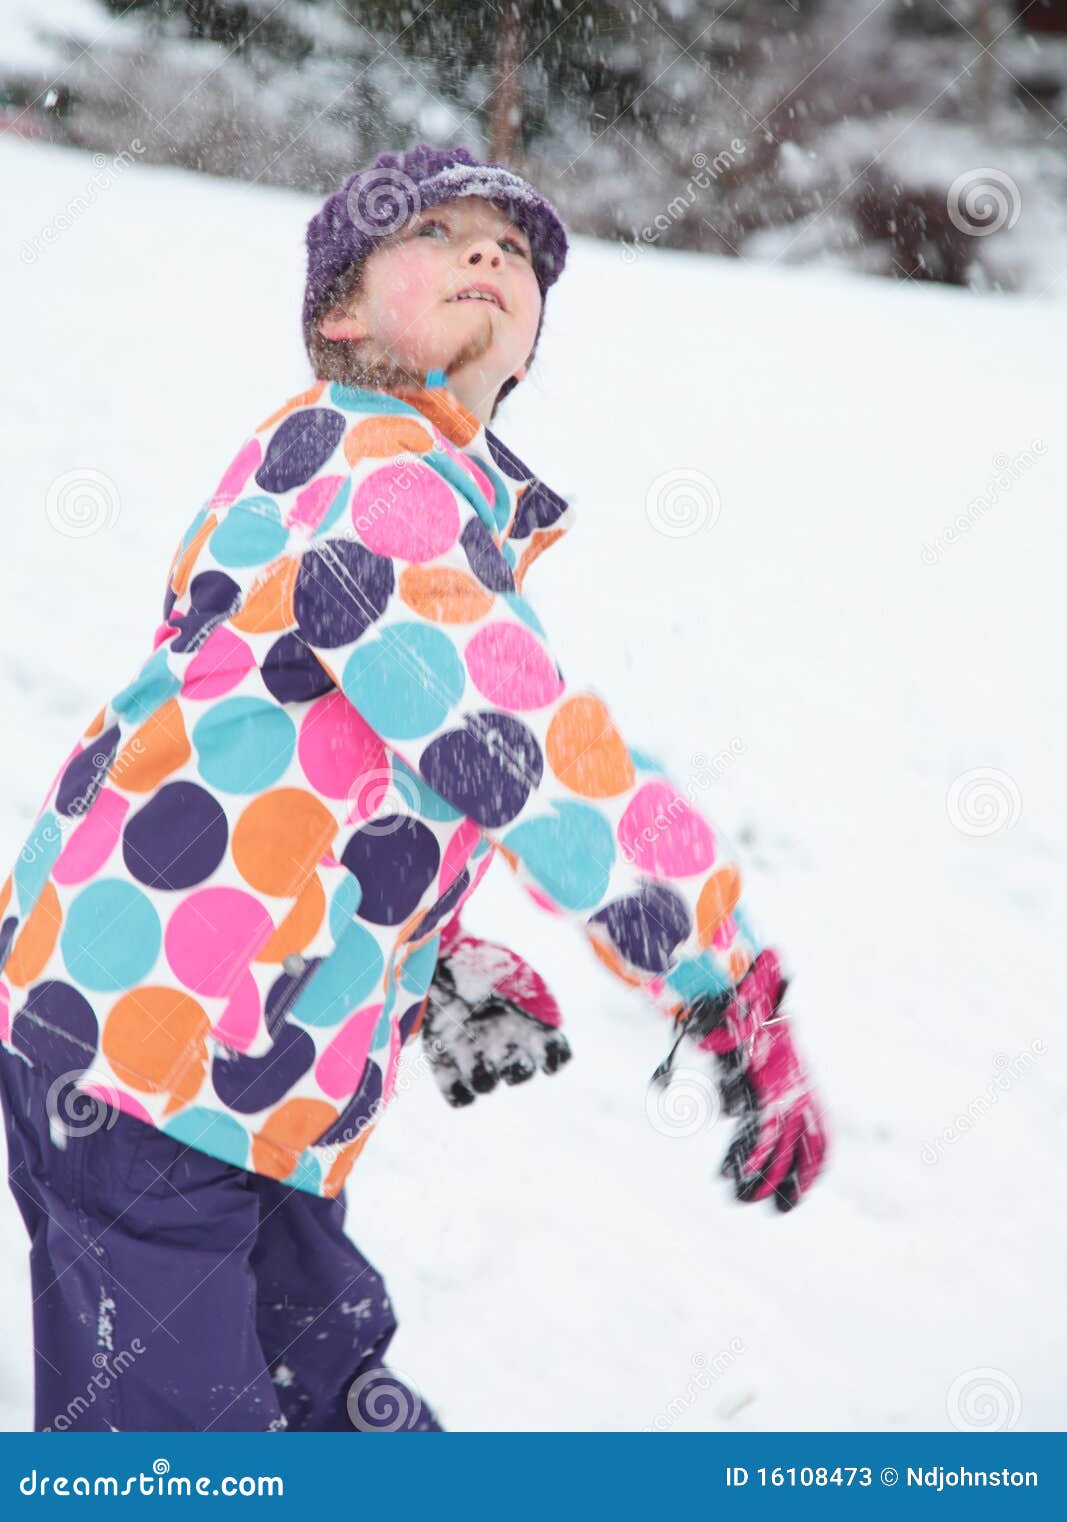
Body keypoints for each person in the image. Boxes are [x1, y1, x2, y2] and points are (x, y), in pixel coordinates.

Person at [0, 142, 828, 1432]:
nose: (489, 255)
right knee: (177, 1453)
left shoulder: (386, 487)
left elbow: (282, 760)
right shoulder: (376, 480)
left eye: (518, 252)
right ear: (341, 312)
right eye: (438, 233)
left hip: (218, 1054)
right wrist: (722, 974)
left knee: (331, 1384)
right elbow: (533, 750)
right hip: (149, 1053)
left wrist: (414, 955)